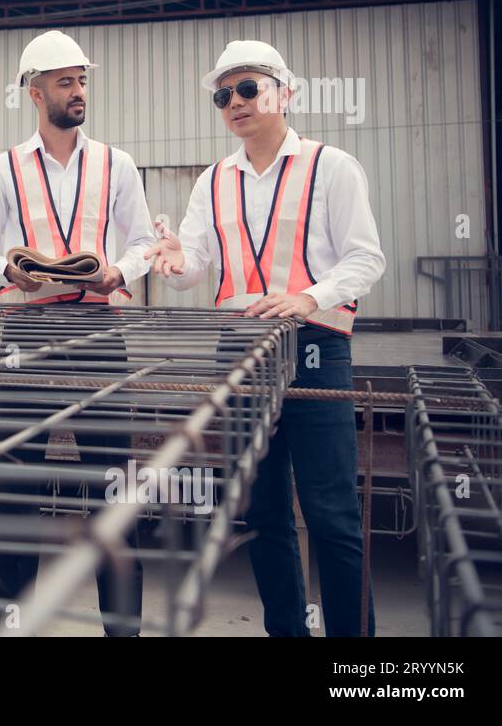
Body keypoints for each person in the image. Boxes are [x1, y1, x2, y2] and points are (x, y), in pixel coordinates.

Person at [145, 39, 385, 636]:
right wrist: (175, 263)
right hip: (239, 352)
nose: (235, 102)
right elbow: (196, 265)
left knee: (332, 513)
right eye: (223, 95)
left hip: (314, 344)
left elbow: (366, 259)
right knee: (262, 510)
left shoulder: (331, 166)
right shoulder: (214, 180)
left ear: (286, 92)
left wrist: (308, 296)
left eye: (248, 88)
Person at [0, 30, 154, 635]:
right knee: (17, 497)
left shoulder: (115, 164)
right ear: (34, 90)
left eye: (82, 80)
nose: (78, 92)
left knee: (114, 497)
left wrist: (119, 272)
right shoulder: (3, 169)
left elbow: (145, 239)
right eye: (66, 82)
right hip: (26, 335)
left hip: (99, 329)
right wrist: (9, 271)